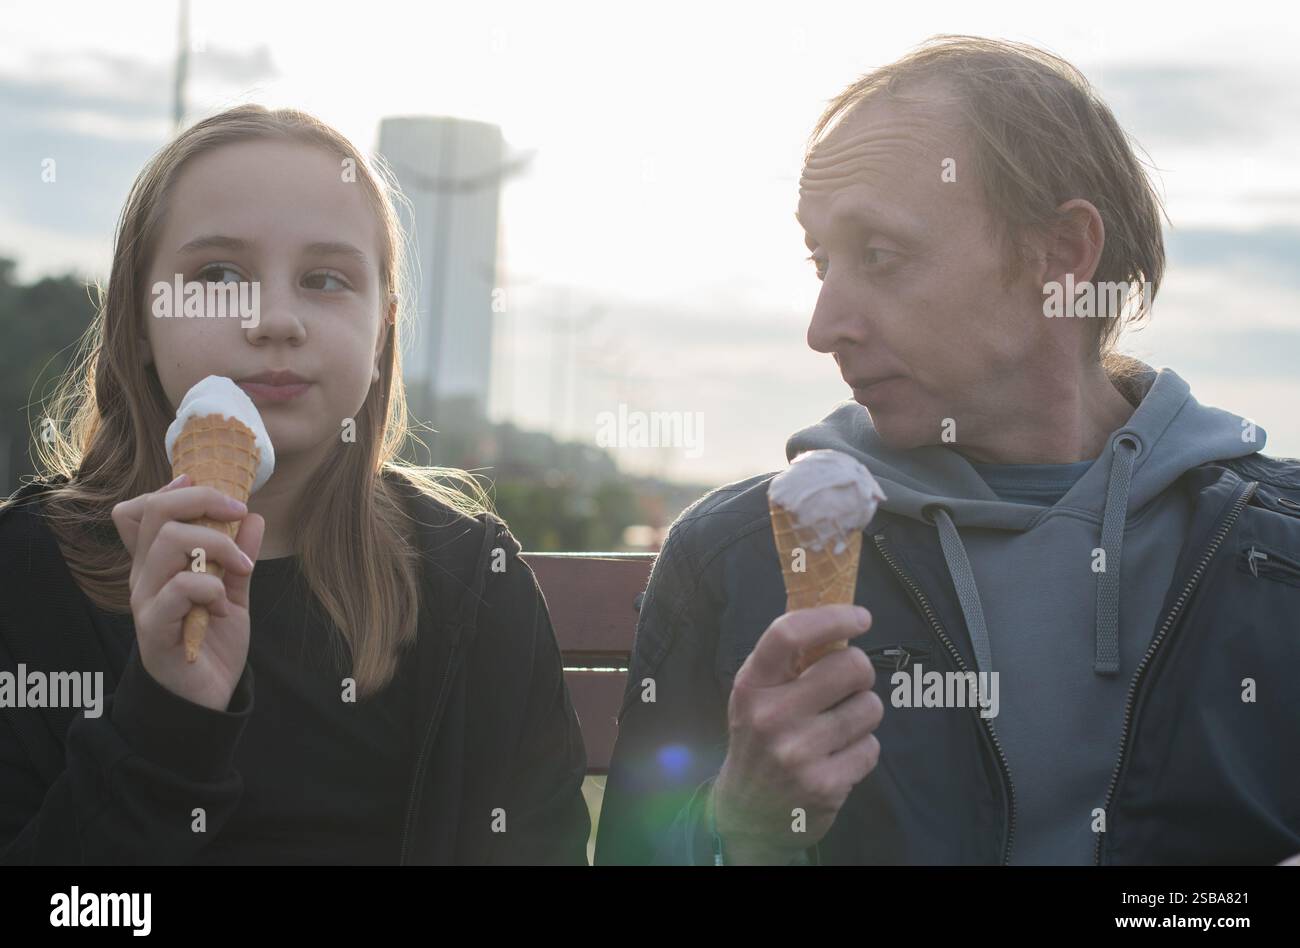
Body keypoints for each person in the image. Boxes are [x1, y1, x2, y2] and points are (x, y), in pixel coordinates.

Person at [595, 36, 1300, 865]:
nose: (824, 328)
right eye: (820, 262)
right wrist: (740, 826)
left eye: (881, 256)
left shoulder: (1275, 549)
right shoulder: (732, 555)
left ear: (1063, 256)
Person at [0, 105, 589, 865]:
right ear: (139, 319)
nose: (275, 320)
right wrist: (164, 720)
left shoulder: (470, 580)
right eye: (217, 274)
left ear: (383, 334)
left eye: (325, 279)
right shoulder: (25, 576)